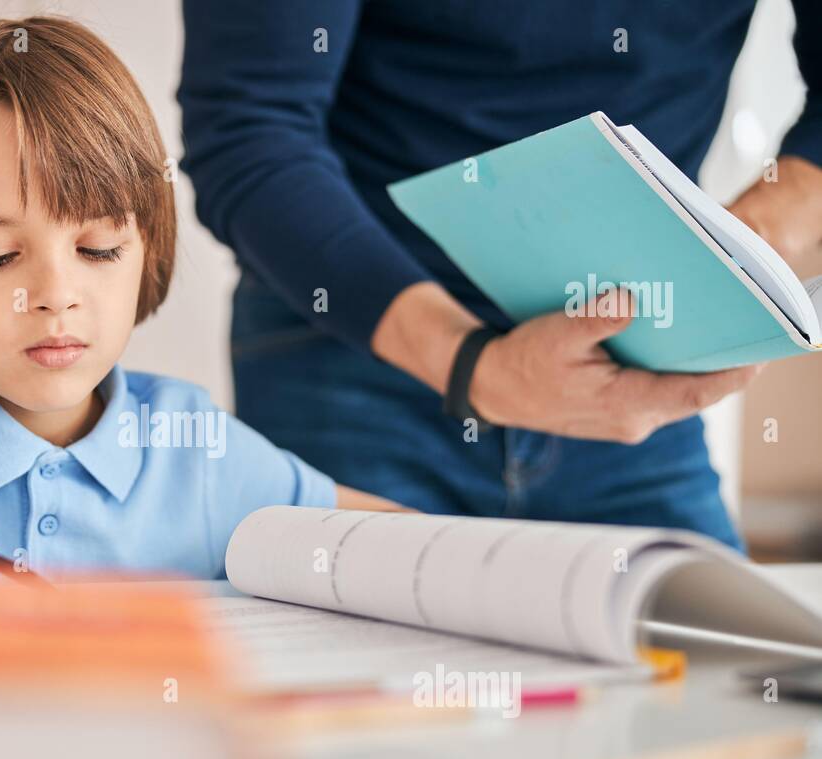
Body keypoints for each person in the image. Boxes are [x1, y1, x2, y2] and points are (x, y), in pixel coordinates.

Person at [0, 16, 400, 579]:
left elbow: (421, 550)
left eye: (99, 250)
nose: (54, 298)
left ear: (148, 252)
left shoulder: (193, 450)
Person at [178, 0, 822, 549]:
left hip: (634, 381)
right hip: (353, 350)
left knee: (726, 683)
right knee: (357, 693)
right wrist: (472, 365)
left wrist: (739, 249)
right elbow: (250, 124)